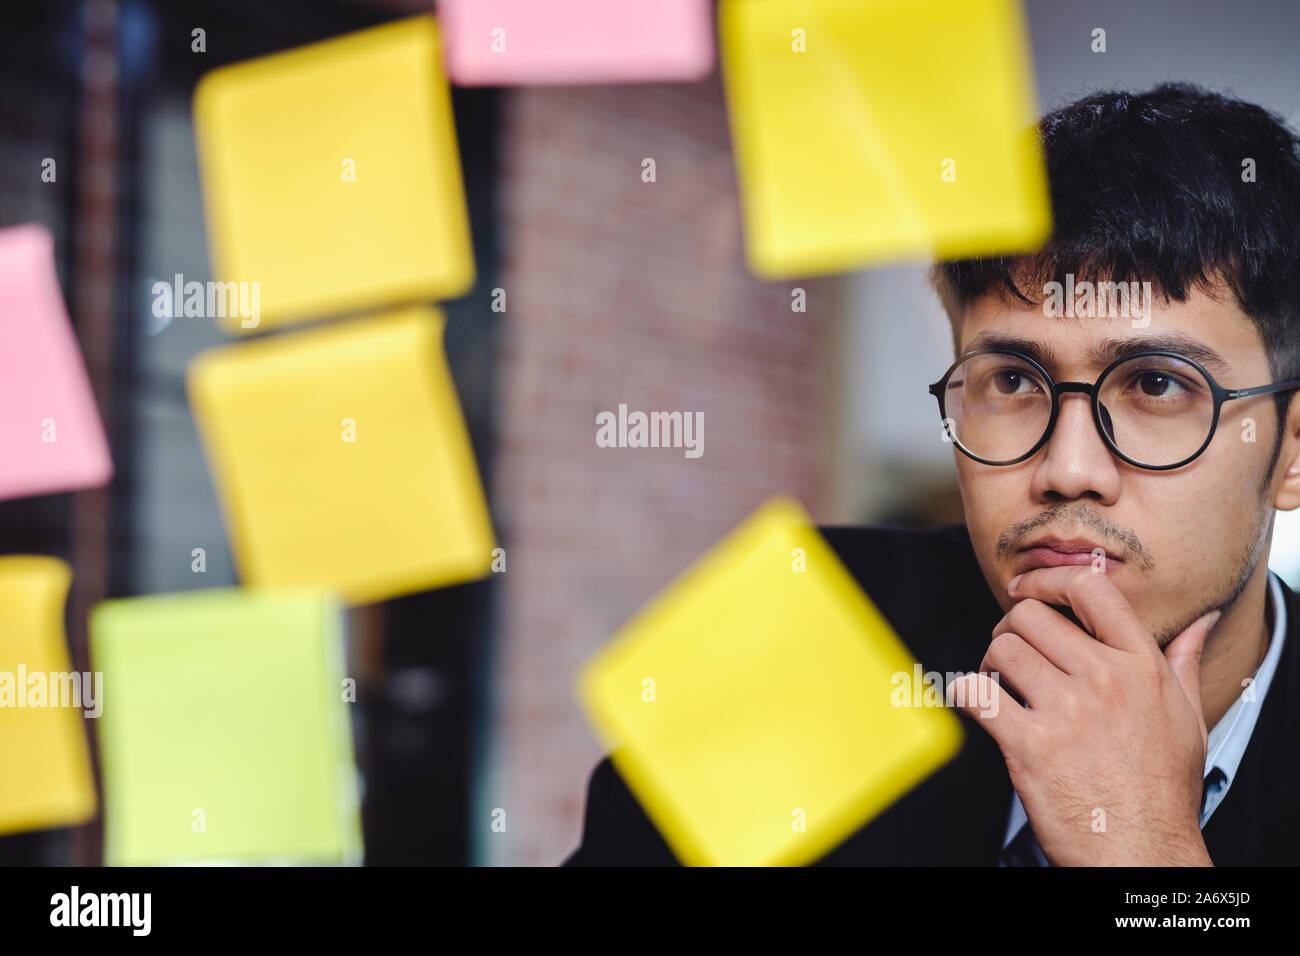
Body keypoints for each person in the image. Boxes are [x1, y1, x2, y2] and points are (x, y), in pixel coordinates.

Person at [565, 83, 1300, 865]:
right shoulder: (817, 627)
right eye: (1014, 381)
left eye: (1156, 384)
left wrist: (1144, 851)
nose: (1067, 469)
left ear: (1290, 452)